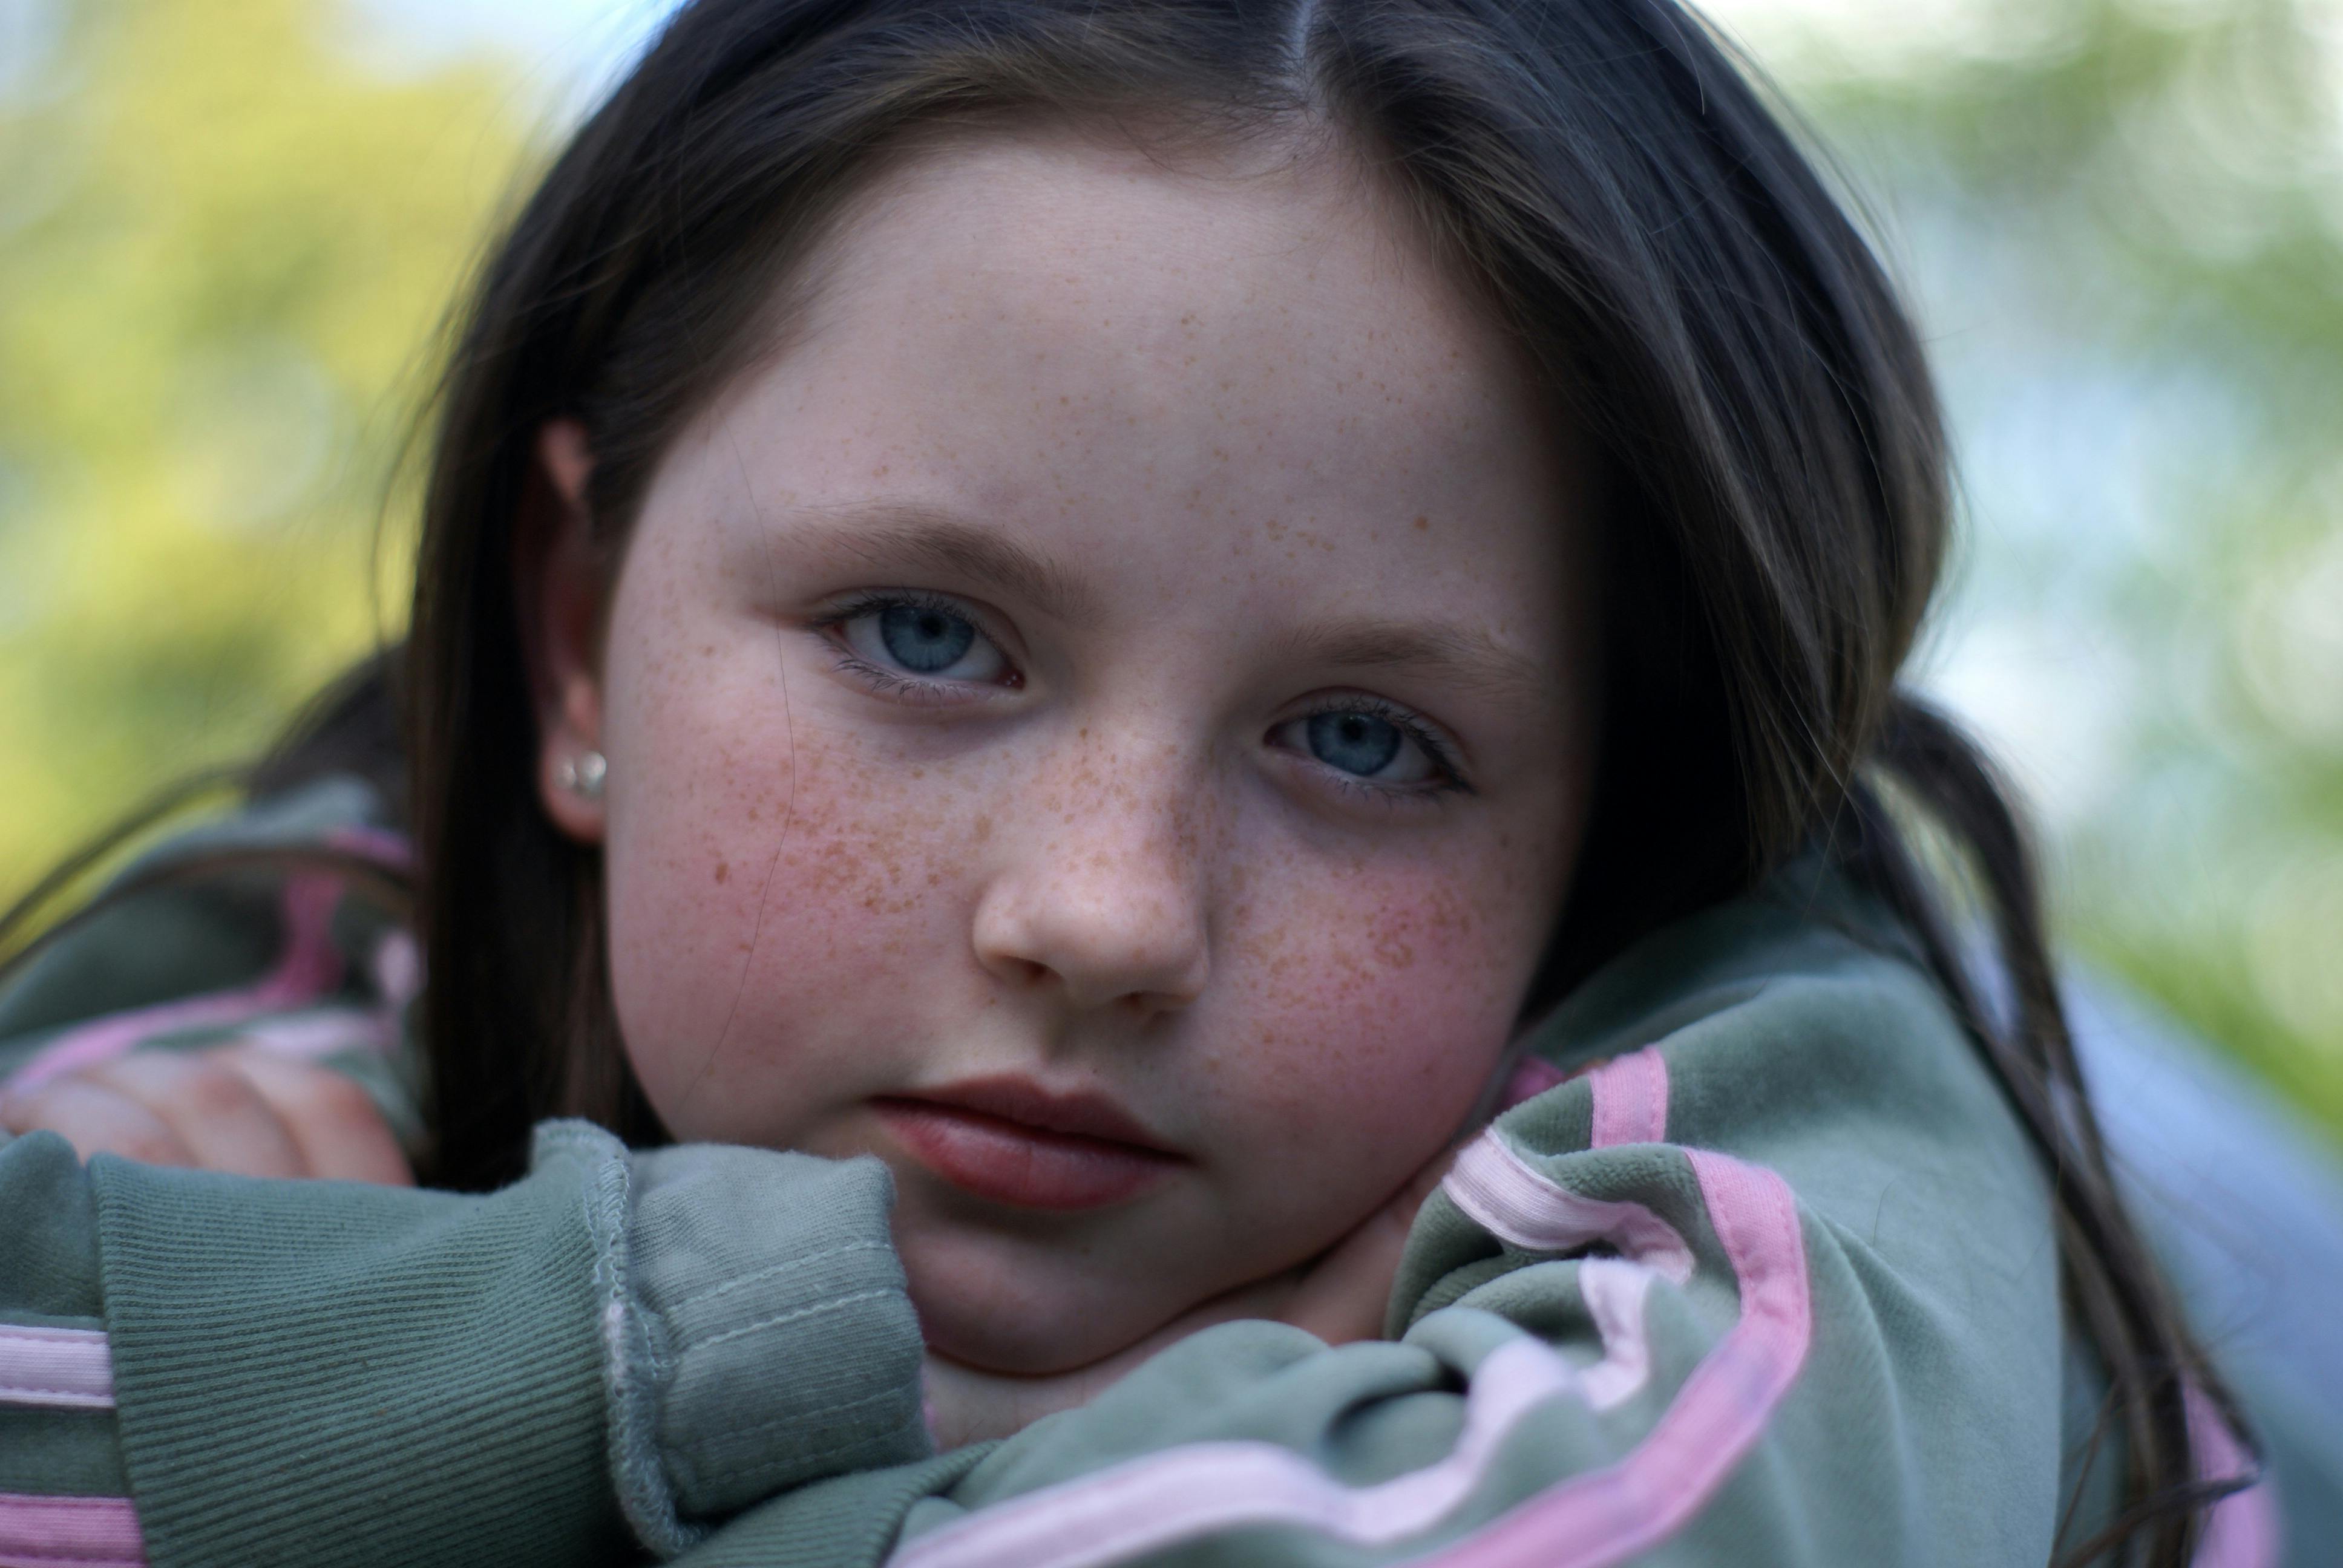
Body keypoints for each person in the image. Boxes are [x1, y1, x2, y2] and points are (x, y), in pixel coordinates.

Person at [0, 0, 2307, 1562]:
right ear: (579, 627)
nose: (1106, 917)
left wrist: (416, 1387)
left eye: (1368, 743)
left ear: (1602, 816)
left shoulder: (1803, 1155)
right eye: (927, 637)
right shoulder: (291, 982)